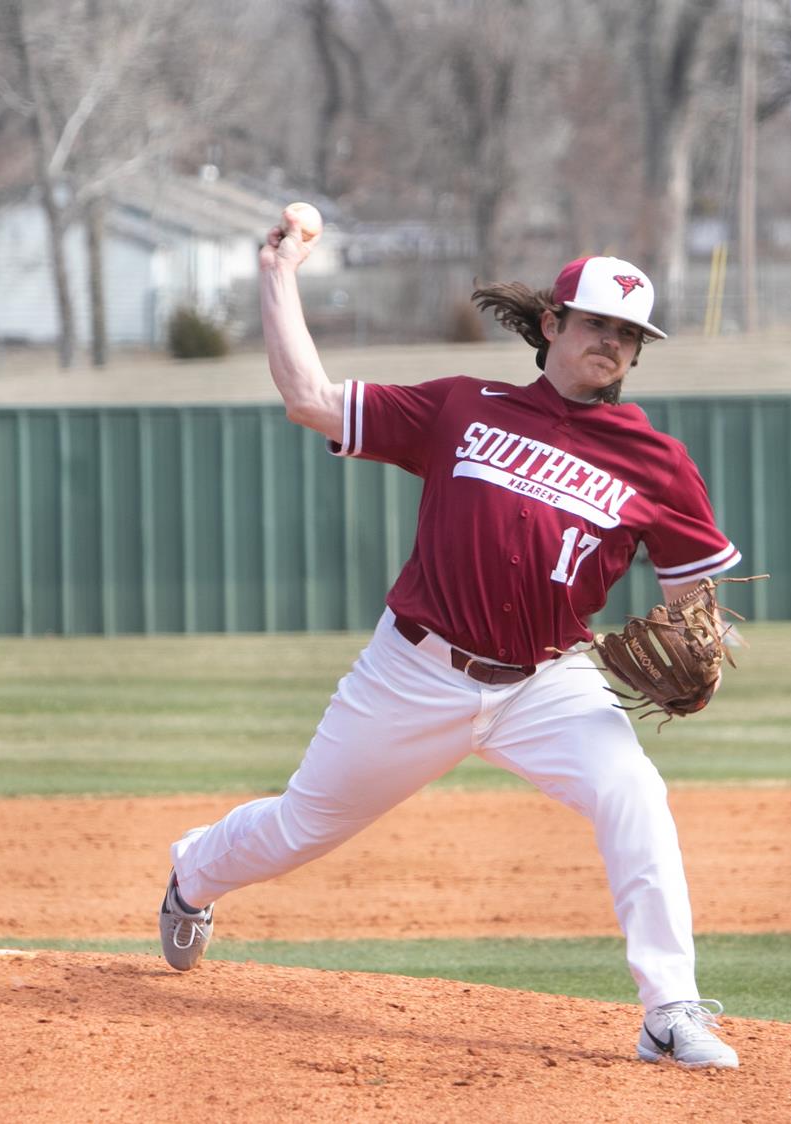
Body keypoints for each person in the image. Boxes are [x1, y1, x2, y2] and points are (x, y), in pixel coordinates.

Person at [156, 207, 747, 1070]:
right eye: (596, 324)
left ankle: (669, 1010)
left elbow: (696, 593)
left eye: (629, 333)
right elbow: (310, 400)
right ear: (552, 325)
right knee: (300, 828)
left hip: (548, 683)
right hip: (414, 671)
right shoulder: (465, 407)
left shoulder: (656, 460)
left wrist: (703, 646)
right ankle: (194, 875)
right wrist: (279, 276)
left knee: (636, 797)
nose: (612, 343)